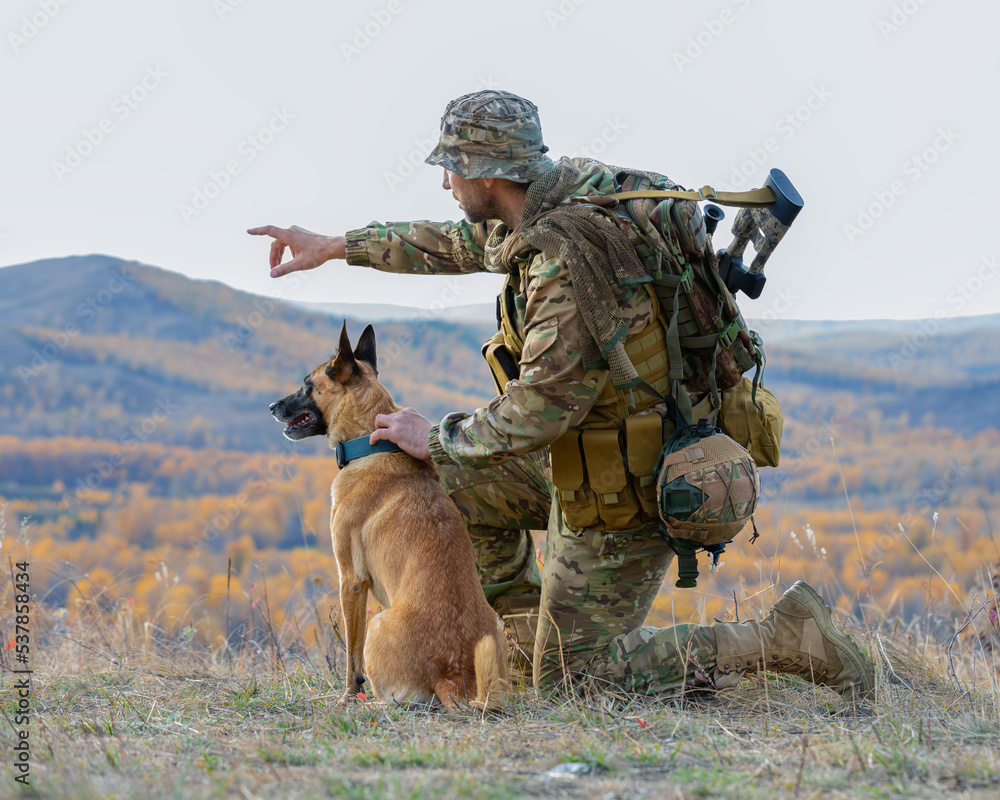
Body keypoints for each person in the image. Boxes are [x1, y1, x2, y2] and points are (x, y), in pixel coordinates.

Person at [249, 90, 875, 701]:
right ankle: (513, 644)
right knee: (437, 479)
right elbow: (459, 243)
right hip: (575, 462)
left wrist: (433, 435)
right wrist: (337, 247)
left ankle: (788, 637)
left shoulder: (564, 266)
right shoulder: (552, 195)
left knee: (580, 682)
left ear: (487, 173)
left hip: (627, 486)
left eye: (450, 170)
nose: (445, 185)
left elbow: (534, 412)